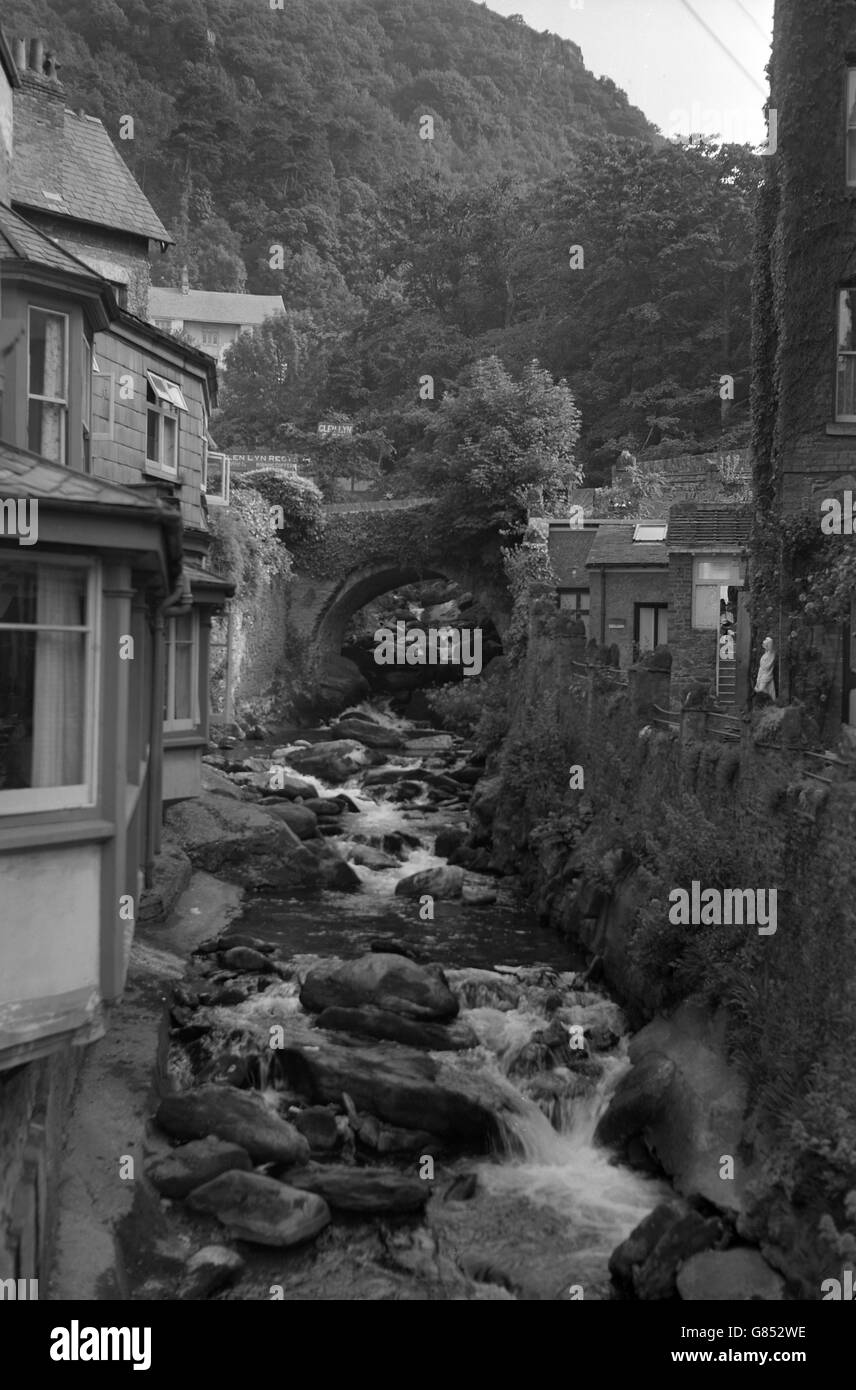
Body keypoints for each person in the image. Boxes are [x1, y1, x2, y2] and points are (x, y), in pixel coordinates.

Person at [755, 635, 776, 700]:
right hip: (762, 674)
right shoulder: (765, 654)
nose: (763, 645)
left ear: (768, 645)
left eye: (764, 644)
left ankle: (767, 702)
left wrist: (763, 668)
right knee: (769, 689)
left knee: (760, 690)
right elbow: (762, 667)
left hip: (766, 674)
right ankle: (771, 702)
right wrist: (758, 677)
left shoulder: (772, 653)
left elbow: (767, 666)